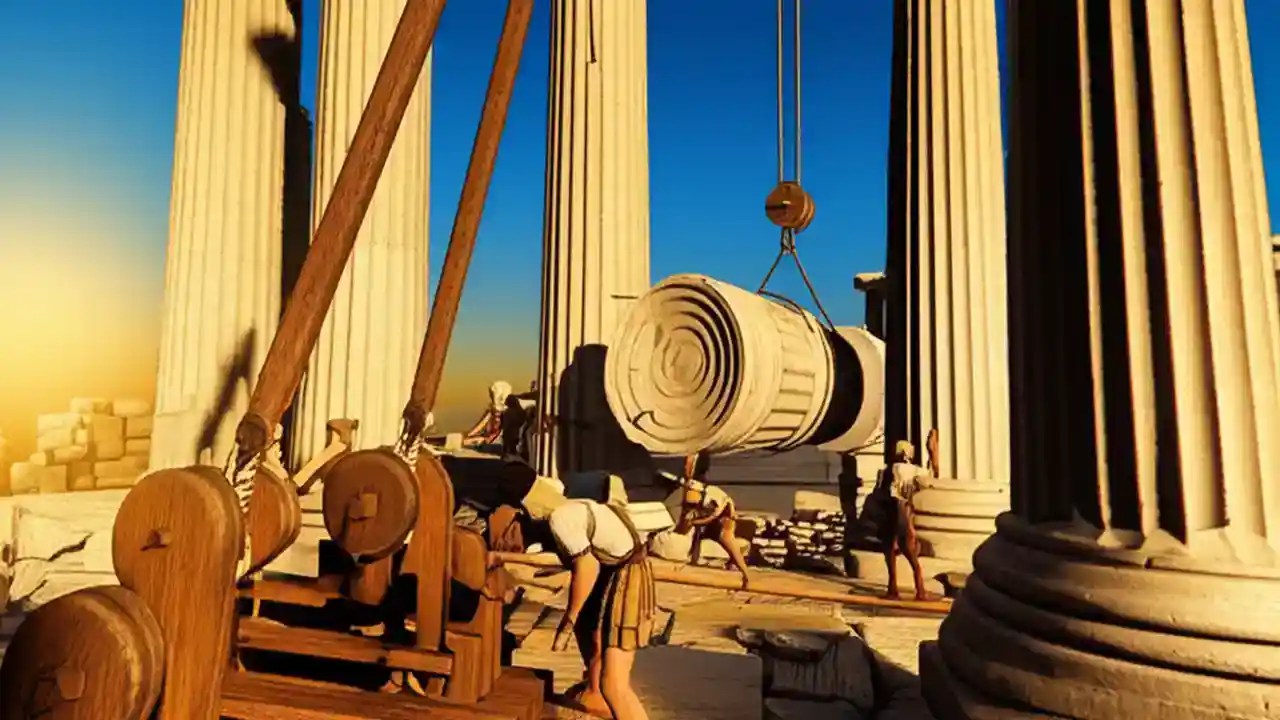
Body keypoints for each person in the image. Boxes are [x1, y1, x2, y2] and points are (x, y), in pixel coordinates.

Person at [500, 461, 656, 720]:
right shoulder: (576, 510)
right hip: (623, 576)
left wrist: (567, 621)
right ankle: (595, 691)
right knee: (612, 680)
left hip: (627, 581)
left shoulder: (562, 518)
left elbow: (588, 567)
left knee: (614, 686)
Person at [667, 451, 750, 589]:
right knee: (720, 539)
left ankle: (745, 573)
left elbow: (689, 519)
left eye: (688, 463)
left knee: (727, 539)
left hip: (721, 510)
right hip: (718, 506)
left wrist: (689, 524)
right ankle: (742, 569)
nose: (684, 467)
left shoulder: (693, 490)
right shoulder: (693, 486)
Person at [879, 440, 930, 601]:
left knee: (890, 552)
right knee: (911, 553)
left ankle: (893, 588)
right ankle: (920, 589)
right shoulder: (917, 471)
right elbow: (928, 481)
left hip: (893, 510)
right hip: (906, 510)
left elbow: (881, 491)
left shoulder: (890, 469)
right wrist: (931, 455)